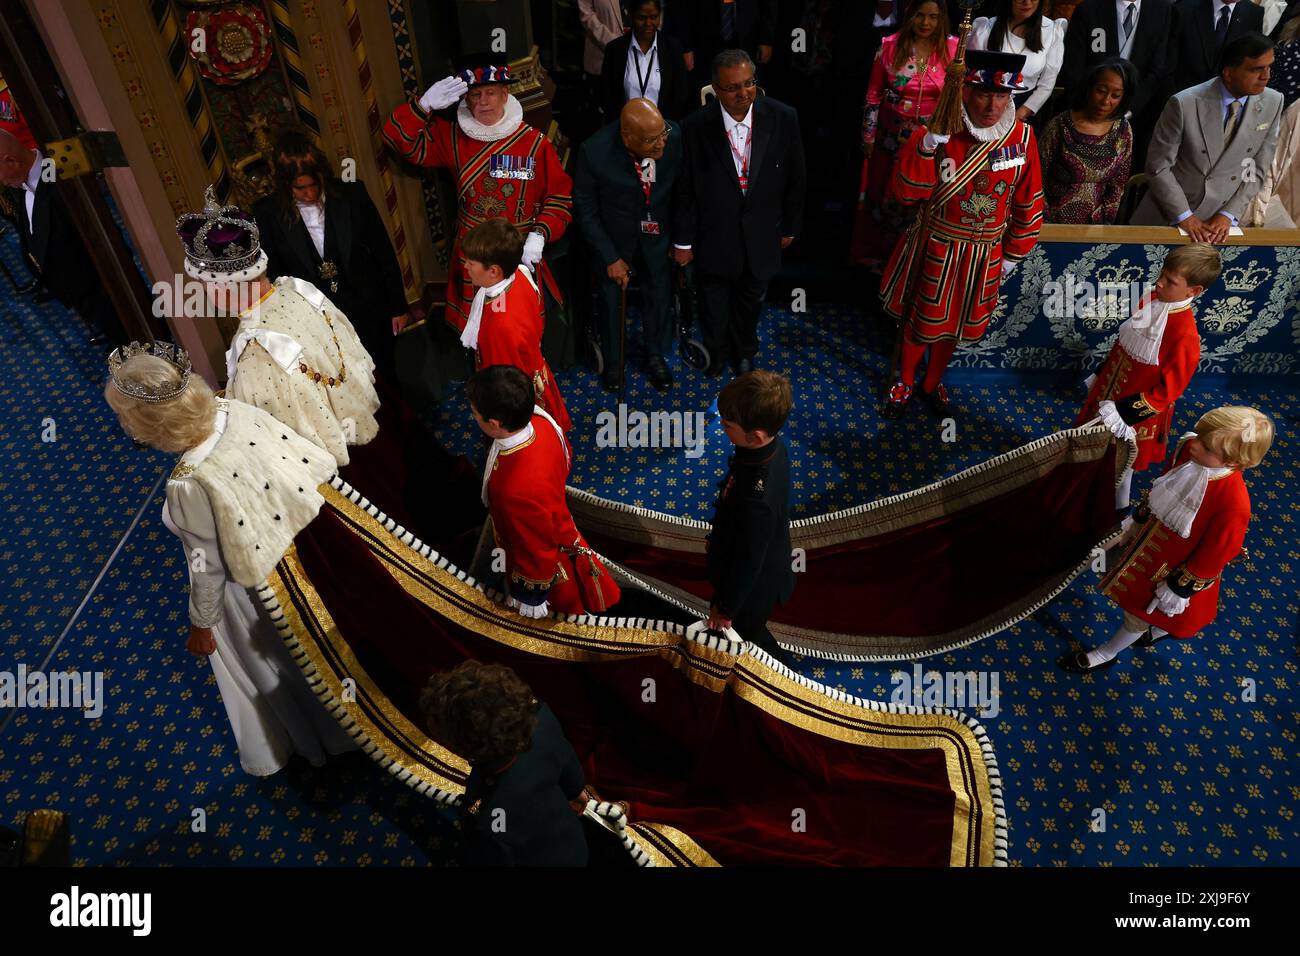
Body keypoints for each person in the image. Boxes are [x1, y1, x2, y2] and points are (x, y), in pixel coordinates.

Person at [104, 341, 357, 774]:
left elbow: (207, 566)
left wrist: (201, 625)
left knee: (281, 667)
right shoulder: (230, 410)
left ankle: (319, 744)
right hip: (301, 551)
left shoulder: (187, 482)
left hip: (253, 592)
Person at [879, 49, 1045, 419]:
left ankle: (931, 381)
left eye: (1002, 96)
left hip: (986, 252)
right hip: (937, 242)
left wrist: (1013, 254)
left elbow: (1029, 199)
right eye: (985, 94)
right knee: (922, 319)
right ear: (966, 92)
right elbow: (906, 191)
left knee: (957, 325)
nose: (992, 104)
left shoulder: (1022, 137)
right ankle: (905, 379)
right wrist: (925, 147)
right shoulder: (940, 128)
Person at [1058, 405, 1274, 673]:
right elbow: (1164, 485)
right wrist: (1139, 517)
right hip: (1149, 534)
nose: (1195, 445)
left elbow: (1216, 553)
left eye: (1207, 447)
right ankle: (1159, 629)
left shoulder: (1234, 503)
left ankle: (1106, 653)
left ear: (1235, 462)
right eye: (1200, 437)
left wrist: (1179, 588)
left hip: (1172, 567)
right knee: (1108, 560)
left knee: (1140, 614)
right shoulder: (1189, 450)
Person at [177, 186, 380, 467]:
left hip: (341, 472)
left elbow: (283, 452)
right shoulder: (301, 291)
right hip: (376, 427)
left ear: (219, 287)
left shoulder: (255, 358)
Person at [382, 54, 572, 334]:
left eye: (490, 93)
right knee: (480, 332)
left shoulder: (535, 144)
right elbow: (399, 141)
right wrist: (422, 107)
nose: (482, 101)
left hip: (516, 254)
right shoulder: (452, 138)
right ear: (465, 100)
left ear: (505, 94)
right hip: (473, 255)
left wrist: (540, 233)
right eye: (475, 94)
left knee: (519, 329)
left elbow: (559, 198)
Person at [672, 50, 806, 376]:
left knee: (750, 301)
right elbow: (685, 189)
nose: (743, 93)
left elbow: (796, 176)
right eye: (733, 88)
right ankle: (715, 352)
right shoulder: (693, 128)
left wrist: (790, 225)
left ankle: (744, 351)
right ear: (716, 89)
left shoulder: (783, 117)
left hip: (762, 233)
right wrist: (683, 242)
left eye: (749, 84)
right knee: (713, 303)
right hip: (714, 236)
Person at [252, 130, 412, 388]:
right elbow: (276, 277)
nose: (310, 194)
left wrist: (398, 306)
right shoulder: (267, 213)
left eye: (314, 185)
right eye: (300, 188)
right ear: (285, 185)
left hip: (367, 306)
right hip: (315, 319)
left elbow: (383, 251)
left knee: (386, 376)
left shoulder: (352, 194)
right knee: (342, 385)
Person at [1077, 243, 1221, 515]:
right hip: (1110, 387)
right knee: (1089, 442)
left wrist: (1125, 413)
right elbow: (1126, 344)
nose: (1159, 282)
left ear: (1194, 291)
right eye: (1162, 274)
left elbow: (1168, 391)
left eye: (1170, 281)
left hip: (1135, 411)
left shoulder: (1185, 336)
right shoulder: (1150, 299)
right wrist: (1101, 372)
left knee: (1122, 464)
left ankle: (1117, 512)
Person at [467, 365, 619, 617]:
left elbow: (534, 547)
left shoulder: (513, 489)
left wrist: (530, 594)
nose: (473, 416)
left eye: (474, 413)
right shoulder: (541, 421)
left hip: (546, 563)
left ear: (494, 423)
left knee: (562, 618)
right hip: (558, 522)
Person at [420, 660, 590, 866]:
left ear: (464, 747)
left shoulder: (492, 812)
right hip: (573, 842)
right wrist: (575, 789)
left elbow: (498, 854)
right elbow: (565, 756)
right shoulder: (542, 718)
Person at [574, 98, 681, 393]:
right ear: (627, 137)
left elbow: (683, 193)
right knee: (611, 303)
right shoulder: (594, 152)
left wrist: (681, 240)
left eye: (663, 135)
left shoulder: (673, 137)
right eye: (650, 141)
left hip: (656, 237)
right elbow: (585, 209)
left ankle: (656, 356)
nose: (661, 145)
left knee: (658, 295)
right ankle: (614, 362)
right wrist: (609, 257)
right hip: (613, 242)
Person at [1132, 33, 1285, 238]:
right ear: (1228, 73)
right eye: (1256, 69)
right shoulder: (1184, 103)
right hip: (1167, 218)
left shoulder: (1273, 101)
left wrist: (1228, 214)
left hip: (1219, 228)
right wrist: (1185, 217)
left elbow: (1257, 168)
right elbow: (1158, 167)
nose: (1266, 76)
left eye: (1269, 67)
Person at [849, 0, 959, 270]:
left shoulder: (955, 48)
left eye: (933, 17)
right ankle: (878, 259)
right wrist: (868, 138)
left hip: (930, 142)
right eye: (920, 16)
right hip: (890, 138)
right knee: (884, 196)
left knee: (919, 201)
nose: (925, 23)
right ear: (909, 15)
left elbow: (958, 99)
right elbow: (873, 95)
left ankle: (912, 258)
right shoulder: (889, 45)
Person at [0, 130, 132, 347]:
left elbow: (104, 242)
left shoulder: (61, 178)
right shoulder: (21, 186)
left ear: (11, 161)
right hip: (87, 302)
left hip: (110, 297)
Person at [704, 370, 795, 665]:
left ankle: (783, 681)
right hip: (761, 560)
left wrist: (725, 608)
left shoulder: (759, 499)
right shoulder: (772, 448)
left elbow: (748, 562)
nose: (722, 427)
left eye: (728, 425)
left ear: (755, 436)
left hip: (753, 587)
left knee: (747, 637)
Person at [460, 218, 572, 432]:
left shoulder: (500, 328)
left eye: (471, 263)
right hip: (535, 371)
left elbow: (503, 386)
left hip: (515, 397)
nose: (466, 267)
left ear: (493, 271)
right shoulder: (519, 273)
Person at [1059, 0, 1175, 167]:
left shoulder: (1162, 10)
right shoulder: (1089, 9)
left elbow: (1157, 70)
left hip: (1137, 121)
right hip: (1087, 117)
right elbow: (1074, 67)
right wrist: (1092, 108)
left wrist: (1127, 110)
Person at [1037, 59, 1136, 223]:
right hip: (1051, 223)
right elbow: (1036, 178)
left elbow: (1118, 185)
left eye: (1115, 95)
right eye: (1101, 91)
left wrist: (1104, 220)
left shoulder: (1123, 131)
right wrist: (1046, 219)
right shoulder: (1059, 126)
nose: (1106, 101)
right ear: (1089, 88)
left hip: (1096, 225)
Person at [969, 0, 1069, 124]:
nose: (1027, 2)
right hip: (986, 106)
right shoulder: (986, 27)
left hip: (1025, 108)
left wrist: (1021, 113)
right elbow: (972, 75)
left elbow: (1047, 82)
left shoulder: (1052, 30)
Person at [600, 0, 690, 121]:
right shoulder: (615, 50)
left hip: (663, 129)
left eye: (653, 17)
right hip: (625, 128)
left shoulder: (673, 48)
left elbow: (680, 95)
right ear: (631, 17)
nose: (648, 23)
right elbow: (607, 96)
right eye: (641, 18)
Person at [664, 0, 778, 89]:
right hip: (703, 37)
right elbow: (678, 6)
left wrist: (766, 39)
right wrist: (686, 46)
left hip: (748, 34)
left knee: (746, 88)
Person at [1168, 0, 1265, 96]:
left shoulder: (1254, 13)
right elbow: (1167, 61)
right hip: (1180, 96)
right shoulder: (1185, 7)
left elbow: (1250, 63)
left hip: (1223, 100)